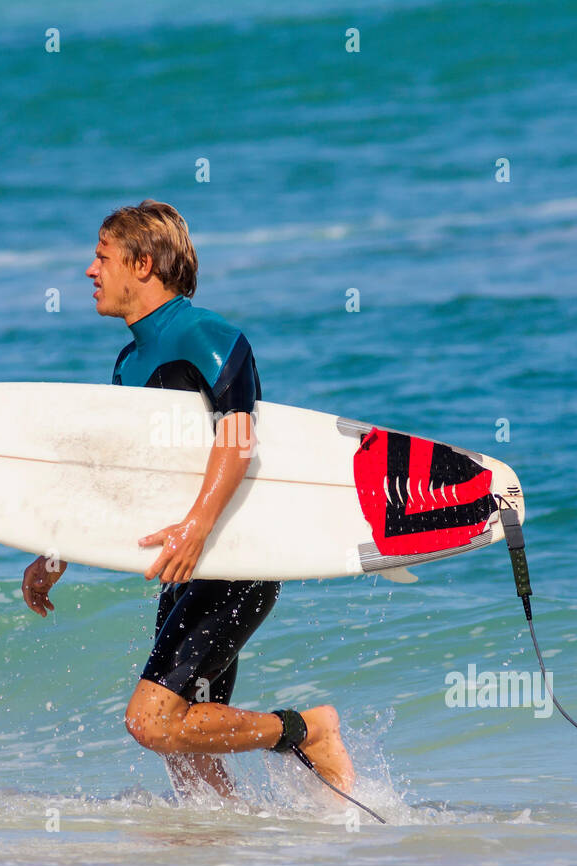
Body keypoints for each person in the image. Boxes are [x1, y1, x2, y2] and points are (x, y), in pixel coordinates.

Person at [21, 200, 354, 799]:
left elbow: (239, 437)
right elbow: (123, 476)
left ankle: (306, 731)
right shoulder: (129, 361)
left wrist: (199, 526)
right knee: (188, 761)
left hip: (235, 562)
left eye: (101, 257)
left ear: (142, 263)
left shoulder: (210, 337)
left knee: (151, 722)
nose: (89, 271)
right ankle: (223, 846)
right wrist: (56, 553)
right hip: (186, 567)